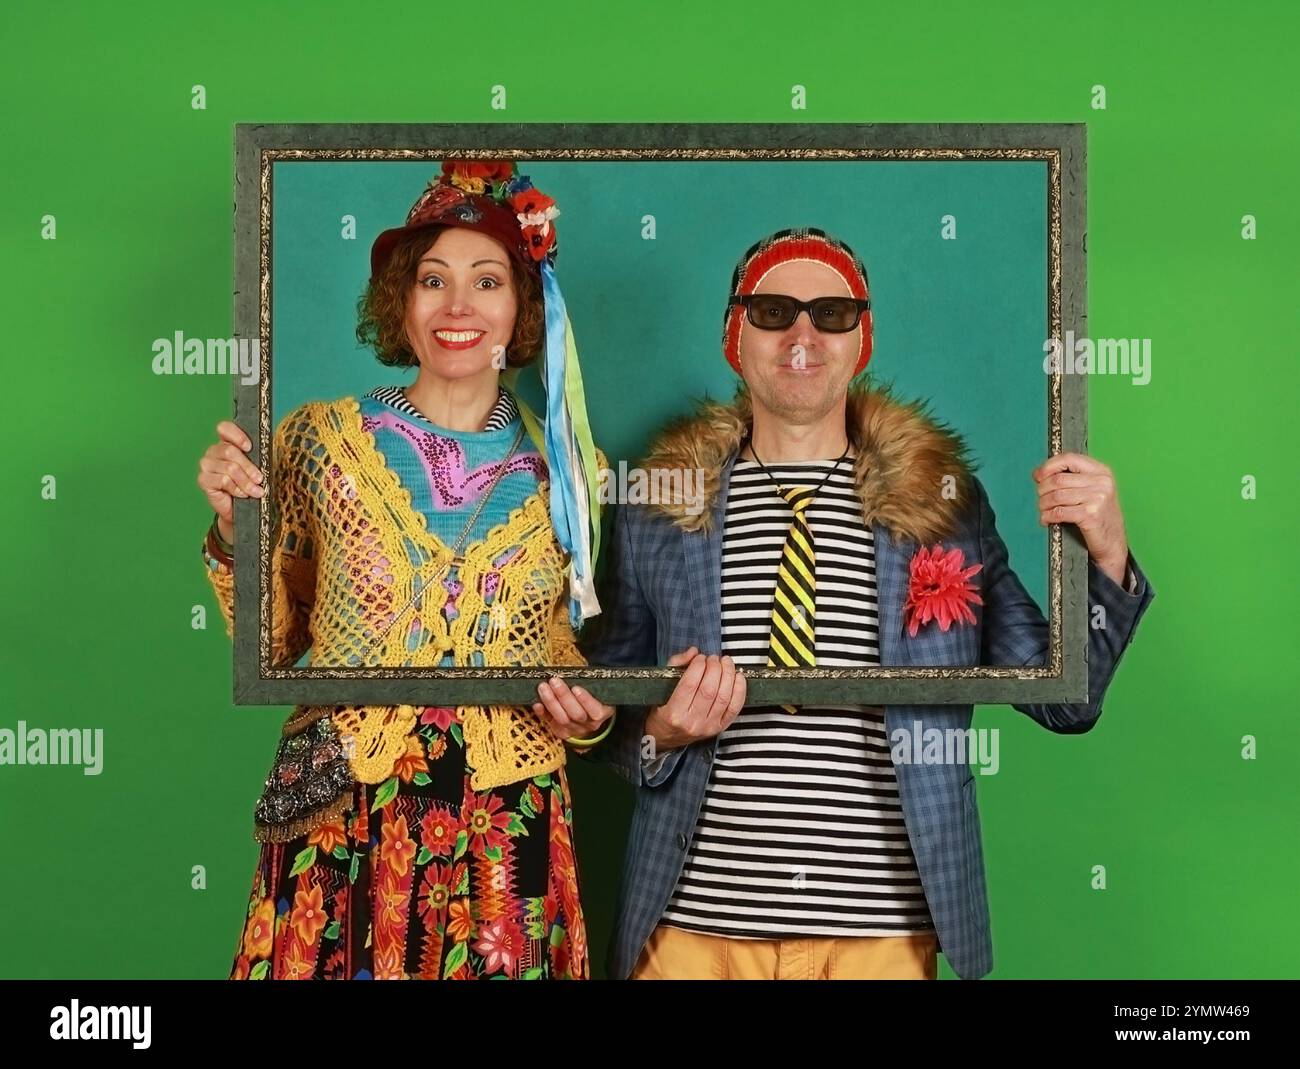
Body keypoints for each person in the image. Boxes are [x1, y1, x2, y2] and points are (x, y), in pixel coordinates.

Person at [535, 227, 1154, 980]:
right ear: (735, 336)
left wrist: (1109, 550)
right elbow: (612, 725)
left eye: (831, 313)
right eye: (773, 311)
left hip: (882, 937)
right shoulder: (662, 508)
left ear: (863, 338)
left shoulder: (945, 506)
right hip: (695, 931)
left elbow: (1068, 697)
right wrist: (663, 727)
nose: (803, 334)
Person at [197, 160, 613, 980]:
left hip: (509, 813)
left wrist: (591, 718)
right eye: (433, 280)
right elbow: (276, 642)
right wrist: (229, 528)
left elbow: (562, 654)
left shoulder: (575, 470)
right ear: (402, 299)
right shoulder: (318, 441)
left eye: (486, 280)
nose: (458, 307)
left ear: (523, 307)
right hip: (345, 810)